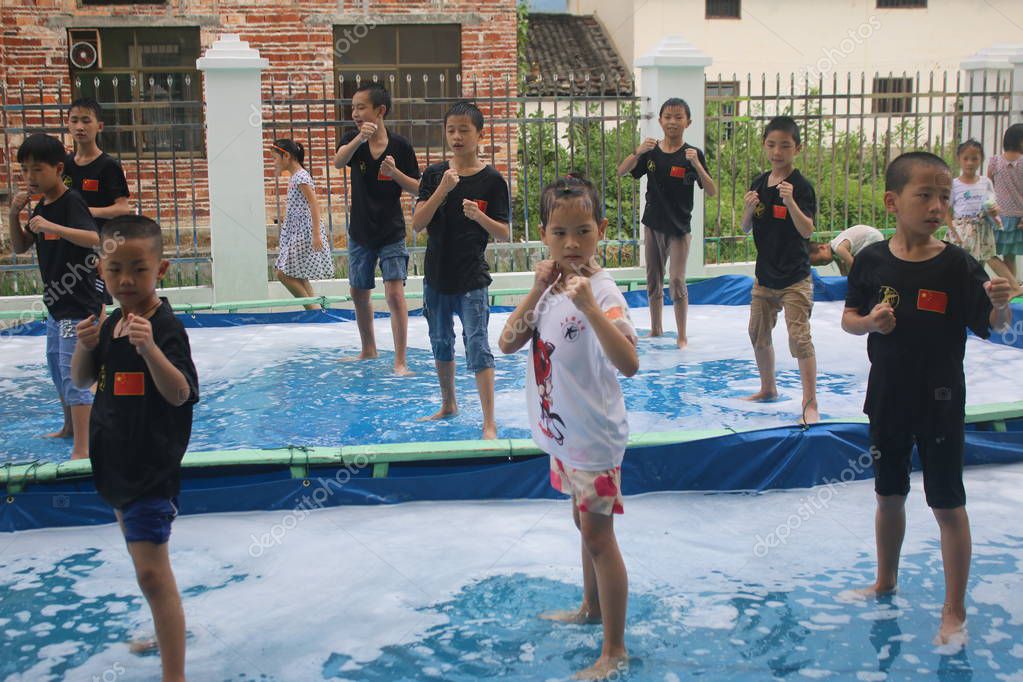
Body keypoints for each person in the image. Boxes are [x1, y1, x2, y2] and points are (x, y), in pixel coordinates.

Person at [841, 151, 1012, 648]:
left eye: (944, 196)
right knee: (888, 495)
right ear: (894, 202)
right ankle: (885, 580)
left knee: (947, 502)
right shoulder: (871, 260)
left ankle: (954, 607)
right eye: (926, 195)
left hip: (940, 401)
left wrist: (1000, 306)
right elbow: (849, 318)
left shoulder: (958, 265)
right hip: (888, 398)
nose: (937, 205)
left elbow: (992, 326)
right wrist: (870, 323)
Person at [499, 175, 638, 680]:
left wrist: (588, 307)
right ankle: (590, 608)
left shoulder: (603, 292)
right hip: (565, 435)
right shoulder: (548, 288)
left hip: (595, 441)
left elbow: (630, 363)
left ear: (601, 230)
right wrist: (538, 288)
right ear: (544, 234)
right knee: (584, 524)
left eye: (583, 231)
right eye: (560, 233)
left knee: (600, 537)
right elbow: (508, 342)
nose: (572, 244)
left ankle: (615, 649)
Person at [71, 215, 199, 682]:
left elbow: (181, 392)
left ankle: (174, 673)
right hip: (118, 469)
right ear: (101, 270)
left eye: (138, 269)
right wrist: (87, 345)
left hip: (151, 469)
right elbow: (83, 380)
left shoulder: (163, 328)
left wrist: (150, 351)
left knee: (152, 574)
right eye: (115, 269)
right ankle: (166, 630)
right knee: (146, 567)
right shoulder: (109, 324)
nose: (126, 280)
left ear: (161, 269)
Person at [412, 101, 510, 439]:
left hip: (471, 277)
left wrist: (479, 217)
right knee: (440, 341)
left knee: (478, 344)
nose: (456, 136)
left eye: (464, 130)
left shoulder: (493, 181)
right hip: (436, 275)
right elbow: (417, 224)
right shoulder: (434, 174)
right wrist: (442, 190)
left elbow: (504, 233)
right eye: (451, 129)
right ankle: (449, 404)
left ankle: (489, 421)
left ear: (480, 135)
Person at [7, 133, 102, 459]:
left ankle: (83, 448)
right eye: (24, 171)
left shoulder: (70, 201)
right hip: (56, 305)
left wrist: (55, 226)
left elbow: (93, 238)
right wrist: (13, 216)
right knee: (55, 367)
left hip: (78, 304)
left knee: (73, 373)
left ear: (58, 169)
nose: (29, 178)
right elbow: (20, 247)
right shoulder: (41, 205)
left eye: (37, 170)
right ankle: (69, 427)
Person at [333, 83, 421, 375]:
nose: (355, 113)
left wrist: (395, 173)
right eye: (353, 108)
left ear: (380, 111)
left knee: (394, 294)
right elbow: (337, 162)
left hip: (390, 231)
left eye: (361, 107)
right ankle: (368, 348)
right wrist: (359, 138)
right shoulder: (352, 142)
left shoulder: (401, 147)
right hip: (360, 230)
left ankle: (400, 361)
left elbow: (419, 188)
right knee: (359, 292)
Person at [617, 97, 716, 348]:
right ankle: (656, 328)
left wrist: (696, 164)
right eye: (668, 117)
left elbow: (712, 190)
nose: (672, 122)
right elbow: (622, 171)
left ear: (688, 122)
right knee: (653, 278)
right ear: (660, 121)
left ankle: (681, 335)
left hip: (679, 228)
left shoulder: (692, 154)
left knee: (676, 280)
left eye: (678, 117)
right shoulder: (650, 151)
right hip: (653, 223)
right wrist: (637, 152)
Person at [740, 116, 819, 424]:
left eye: (785, 146)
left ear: (796, 148)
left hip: (795, 278)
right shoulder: (759, 184)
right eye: (772, 145)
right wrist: (748, 207)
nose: (777, 152)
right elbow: (746, 228)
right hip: (765, 276)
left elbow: (807, 230)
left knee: (799, 338)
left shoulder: (800, 187)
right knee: (757, 332)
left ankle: (810, 402)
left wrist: (790, 202)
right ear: (764, 145)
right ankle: (768, 387)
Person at [948, 139, 1022, 297]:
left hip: (982, 227)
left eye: (974, 158)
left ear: (980, 159)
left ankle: (1011, 287)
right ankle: (973, 292)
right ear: (959, 159)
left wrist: (994, 212)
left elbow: (991, 205)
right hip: (962, 230)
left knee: (987, 258)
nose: (970, 163)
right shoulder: (954, 184)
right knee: (969, 263)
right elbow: (946, 211)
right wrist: (954, 232)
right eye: (965, 158)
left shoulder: (985, 182)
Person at [270, 139, 335, 310]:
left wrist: (316, 234)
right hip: (296, 230)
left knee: (282, 273)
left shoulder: (301, 177)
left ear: (287, 156)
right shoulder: (295, 177)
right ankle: (316, 311)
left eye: (275, 158)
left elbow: (314, 204)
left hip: (304, 231)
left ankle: (312, 309)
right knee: (297, 274)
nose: (274, 162)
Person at [988, 123, 1023, 286]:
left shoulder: (995, 161)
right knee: (1009, 256)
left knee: (988, 252)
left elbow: (989, 184)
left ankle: (1012, 287)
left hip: (996, 215)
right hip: (1017, 216)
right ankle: (1013, 286)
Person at [809, 224, 884, 276]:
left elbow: (852, 264)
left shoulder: (838, 248)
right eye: (821, 264)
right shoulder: (835, 253)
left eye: (821, 260)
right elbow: (843, 271)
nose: (825, 263)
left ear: (822, 247)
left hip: (872, 237)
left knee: (859, 266)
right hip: (869, 238)